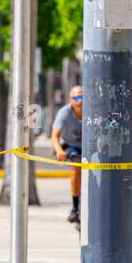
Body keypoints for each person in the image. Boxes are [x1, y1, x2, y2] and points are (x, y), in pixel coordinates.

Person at [51, 85, 84, 227]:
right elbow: (54, 135)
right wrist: (59, 150)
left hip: (89, 146)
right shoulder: (64, 113)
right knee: (76, 167)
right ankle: (75, 208)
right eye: (76, 97)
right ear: (71, 100)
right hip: (71, 146)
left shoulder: (94, 111)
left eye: (83, 97)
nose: (80, 101)